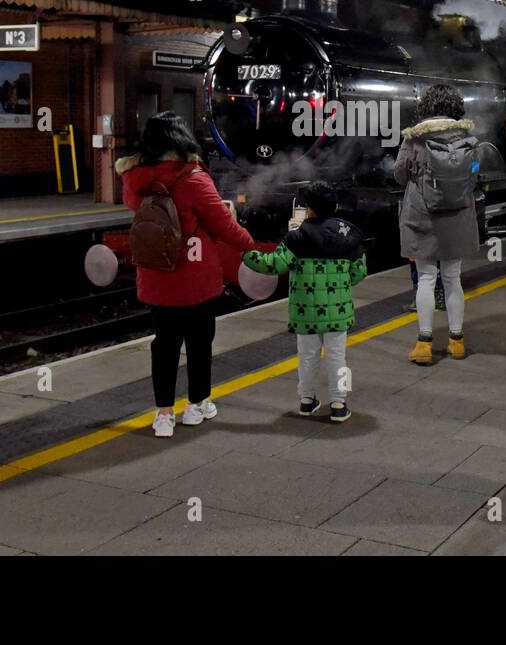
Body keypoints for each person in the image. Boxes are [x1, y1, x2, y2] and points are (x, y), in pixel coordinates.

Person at [118, 111, 255, 439]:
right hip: (196, 279)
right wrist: (252, 245)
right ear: (182, 140)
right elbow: (224, 226)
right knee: (198, 343)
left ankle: (163, 415)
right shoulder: (193, 178)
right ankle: (196, 406)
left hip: (157, 276)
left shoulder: (134, 178)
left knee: (163, 344)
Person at [241, 181, 366, 423]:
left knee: (307, 356)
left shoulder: (296, 237)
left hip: (305, 311)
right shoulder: (348, 236)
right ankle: (340, 403)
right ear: (337, 206)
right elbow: (359, 273)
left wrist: (247, 253)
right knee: (338, 357)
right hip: (338, 313)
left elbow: (273, 265)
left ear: (308, 209)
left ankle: (307, 401)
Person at [394, 83, 480, 365]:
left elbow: (399, 175)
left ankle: (424, 343)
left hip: (422, 217)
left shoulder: (414, 138)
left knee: (427, 279)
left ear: (426, 107)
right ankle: (457, 341)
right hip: (457, 216)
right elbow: (475, 172)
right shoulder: (468, 135)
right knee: (453, 278)